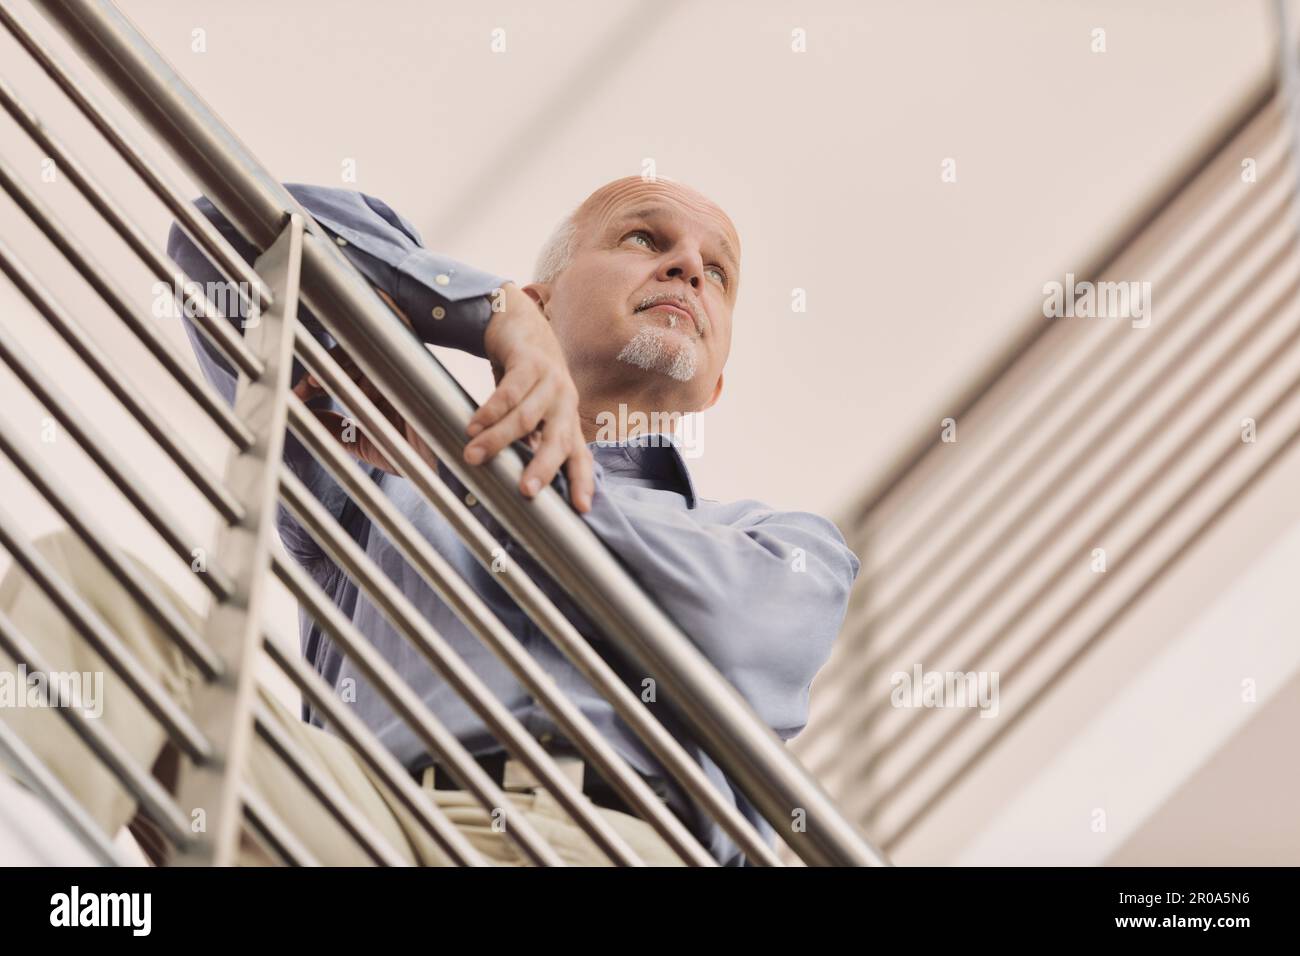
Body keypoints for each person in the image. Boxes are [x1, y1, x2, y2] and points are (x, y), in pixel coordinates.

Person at [2, 176, 860, 866]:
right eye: (646, 238)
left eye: (718, 273)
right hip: (380, 824)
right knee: (91, 590)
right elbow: (219, 235)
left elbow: (749, 632)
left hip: (633, 845)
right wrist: (484, 314)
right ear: (544, 299)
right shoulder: (380, 481)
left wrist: (464, 458)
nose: (686, 269)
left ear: (714, 386)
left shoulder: (783, 543)